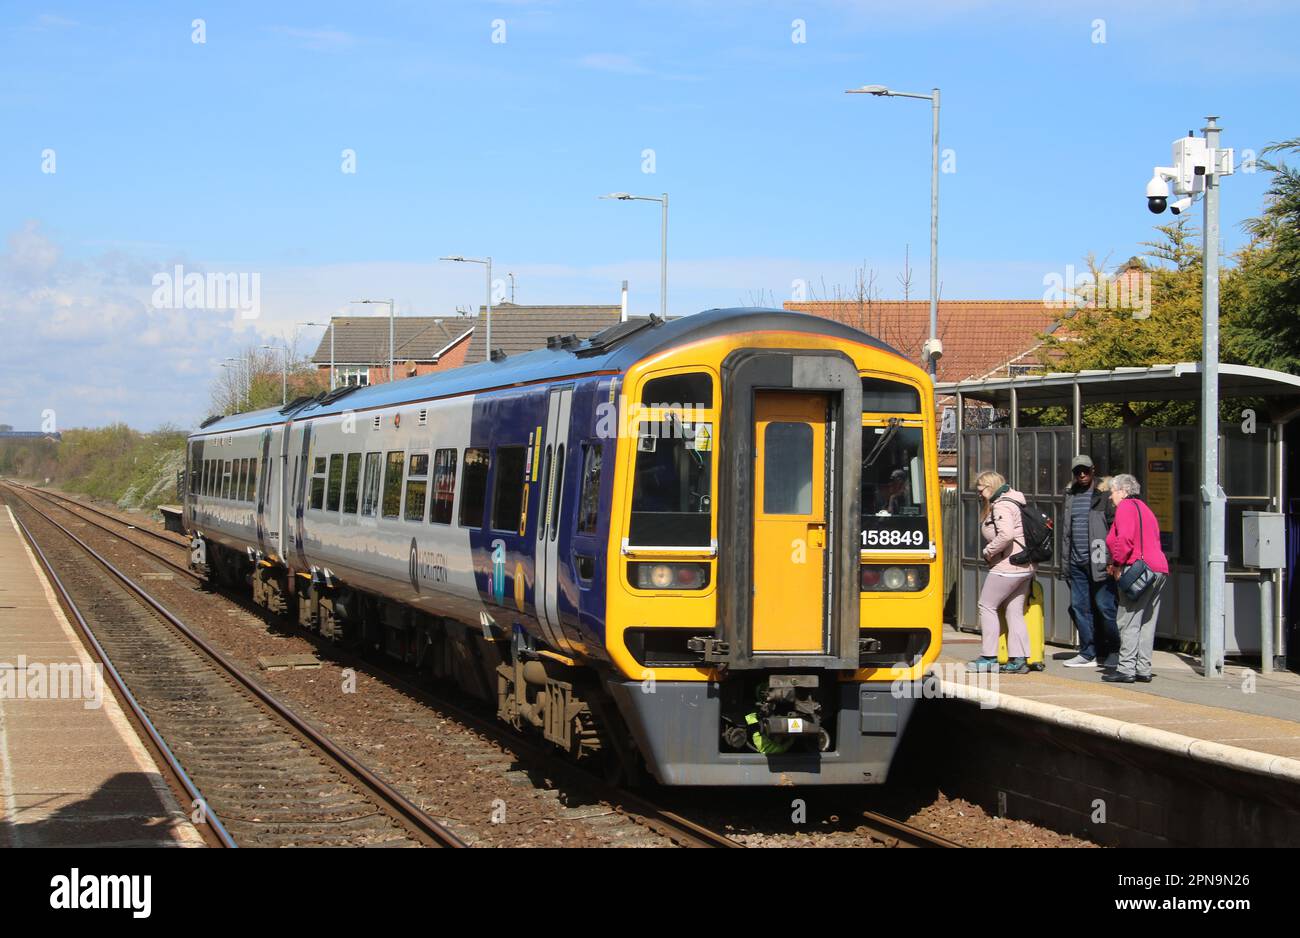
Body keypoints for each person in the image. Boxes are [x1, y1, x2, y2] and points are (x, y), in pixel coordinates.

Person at [1102, 474, 1169, 684]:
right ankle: (1143, 668)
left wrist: (1117, 564)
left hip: (1137, 569)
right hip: (1159, 569)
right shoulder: (1146, 509)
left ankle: (1126, 668)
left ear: (1122, 491)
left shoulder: (1125, 508)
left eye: (1112, 492)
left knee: (1129, 619)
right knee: (1147, 621)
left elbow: (1125, 539)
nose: (1111, 497)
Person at [968, 471, 1035, 674]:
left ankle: (989, 656)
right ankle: (1019, 659)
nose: (979, 494)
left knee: (986, 605)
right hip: (1024, 566)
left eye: (980, 490)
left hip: (1008, 566)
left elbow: (1006, 535)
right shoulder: (1015, 500)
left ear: (990, 486)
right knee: (1014, 611)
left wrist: (988, 551)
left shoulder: (1002, 505)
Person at [1060, 455, 1120, 669]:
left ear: (1093, 470)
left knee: (1105, 607)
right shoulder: (1070, 496)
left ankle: (1114, 650)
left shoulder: (1103, 495)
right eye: (1078, 472)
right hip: (1077, 562)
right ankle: (1088, 652)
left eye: (1085, 470)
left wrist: (1113, 560)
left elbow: (1114, 529)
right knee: (1079, 607)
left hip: (1100, 561)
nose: (1082, 475)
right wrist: (1065, 563)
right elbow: (1066, 532)